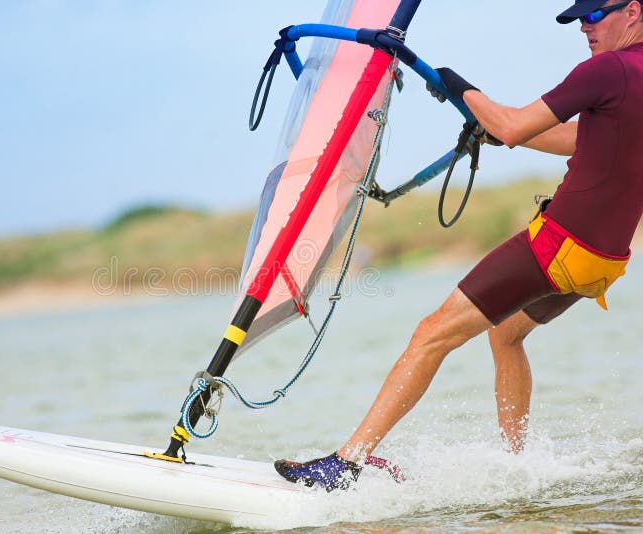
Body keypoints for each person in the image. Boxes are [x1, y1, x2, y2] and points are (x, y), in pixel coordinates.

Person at [274, 0, 643, 491]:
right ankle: (520, 467)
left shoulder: (607, 70)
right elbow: (582, 138)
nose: (585, 29)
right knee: (504, 334)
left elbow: (512, 126)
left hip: (559, 245)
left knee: (432, 333)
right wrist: (492, 125)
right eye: (579, 20)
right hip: (603, 262)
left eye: (594, 17)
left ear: (634, 10)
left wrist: (457, 85)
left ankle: (346, 463)